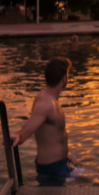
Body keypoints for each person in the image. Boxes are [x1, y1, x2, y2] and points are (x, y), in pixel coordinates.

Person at [11, 57, 79, 185]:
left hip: (58, 166)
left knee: (84, 177)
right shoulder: (46, 103)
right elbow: (25, 132)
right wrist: (17, 135)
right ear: (64, 78)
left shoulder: (50, 99)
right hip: (52, 171)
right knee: (91, 180)